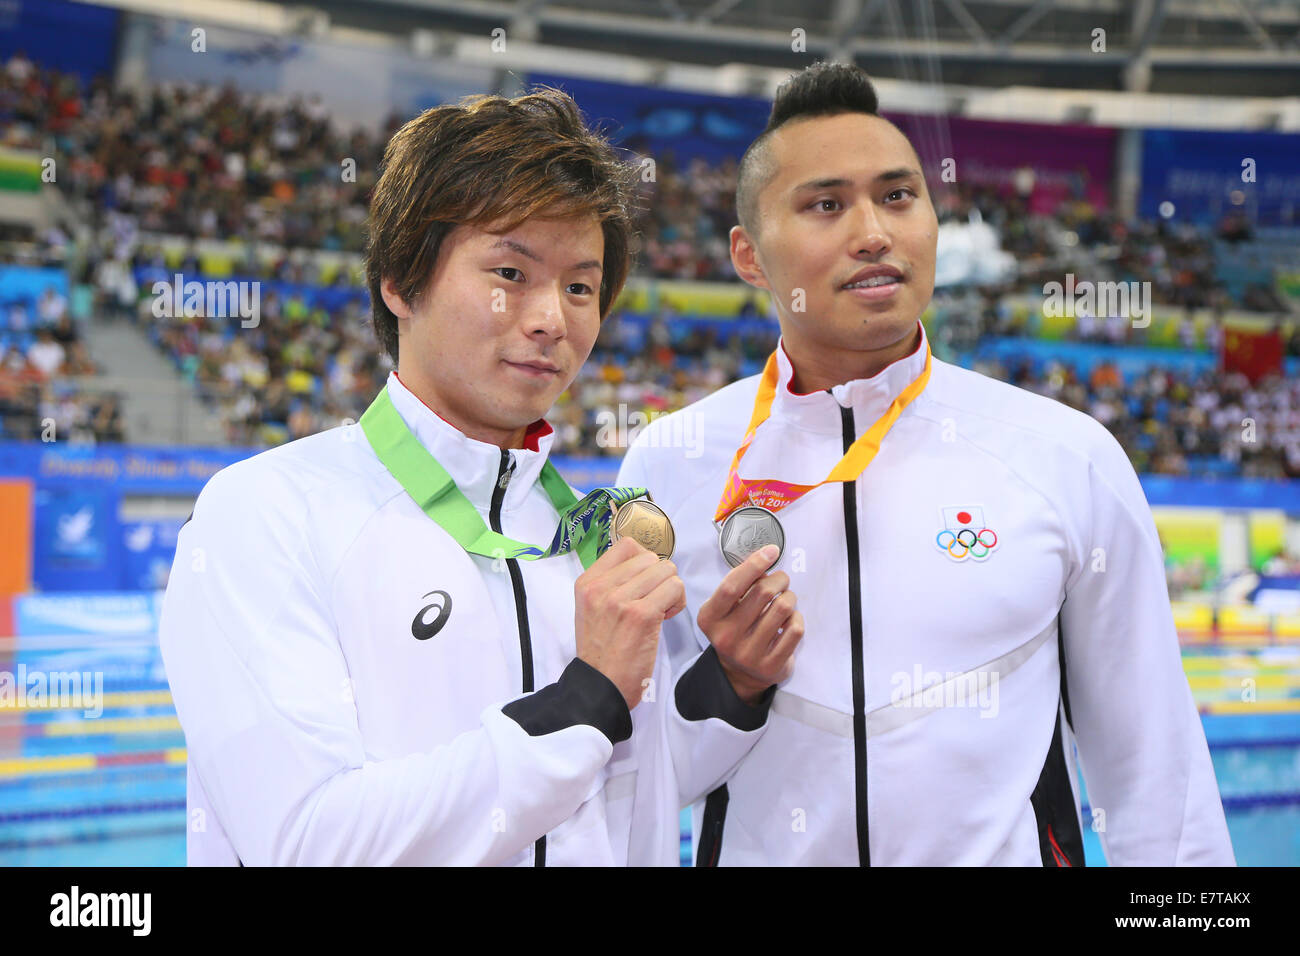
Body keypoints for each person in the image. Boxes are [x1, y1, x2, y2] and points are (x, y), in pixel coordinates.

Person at [158, 87, 803, 866]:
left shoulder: (580, 533)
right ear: (401, 280)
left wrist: (730, 682)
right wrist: (587, 695)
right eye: (510, 270)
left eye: (579, 286)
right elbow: (307, 840)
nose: (550, 319)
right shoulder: (266, 514)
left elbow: (627, 791)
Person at [617, 62, 1234, 866]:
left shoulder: (1064, 456)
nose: (873, 231)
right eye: (826, 204)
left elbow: (1156, 769)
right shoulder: (669, 464)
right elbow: (632, 774)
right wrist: (728, 685)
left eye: (899, 196)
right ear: (749, 255)